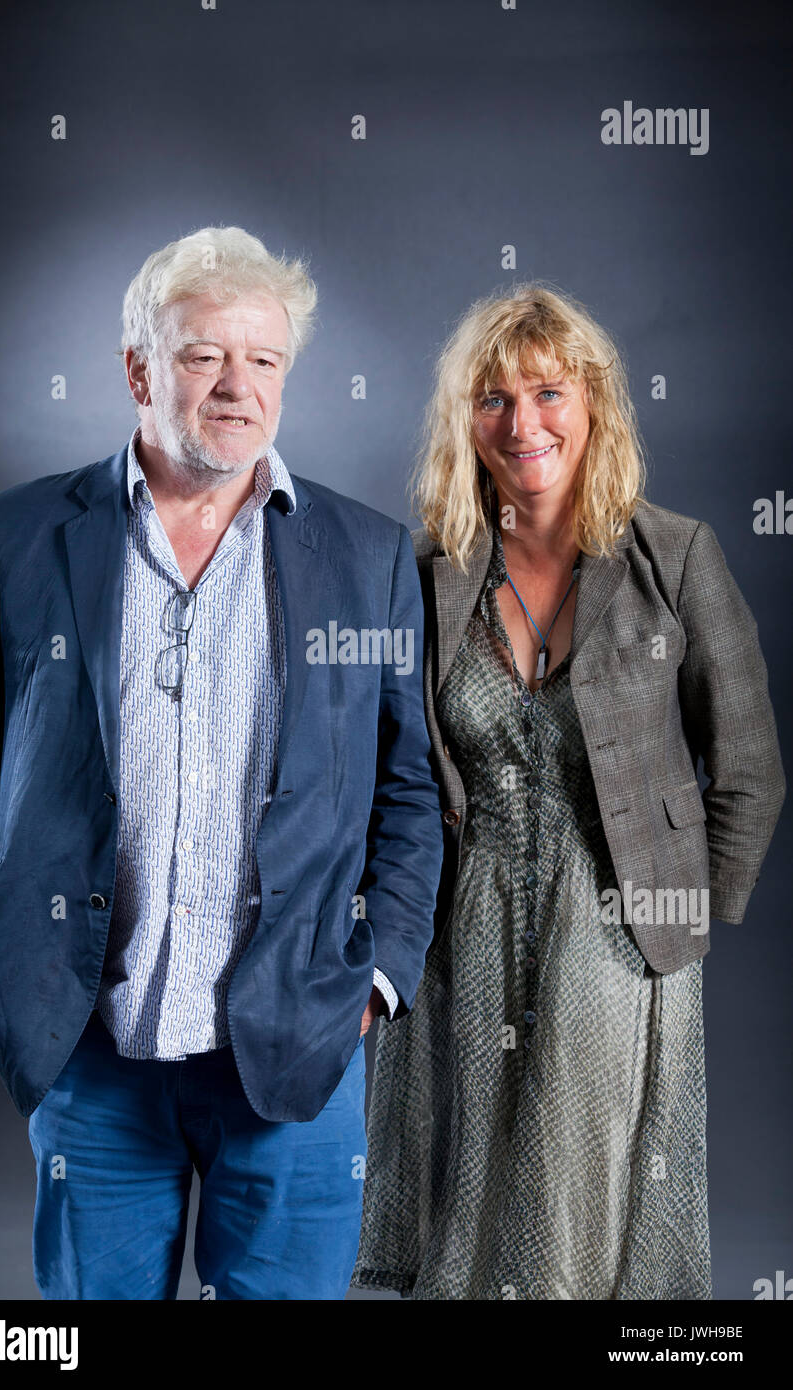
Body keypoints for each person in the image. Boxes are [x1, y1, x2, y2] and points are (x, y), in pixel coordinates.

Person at [0, 226, 443, 1300]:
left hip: (299, 1047)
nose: (235, 385)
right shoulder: (19, 538)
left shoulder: (366, 556)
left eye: (262, 360)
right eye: (203, 354)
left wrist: (377, 978)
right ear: (137, 369)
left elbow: (407, 792)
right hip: (91, 1050)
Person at [350, 282, 785, 1300]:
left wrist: (678, 922)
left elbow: (749, 764)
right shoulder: (423, 572)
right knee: (457, 1181)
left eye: (546, 392)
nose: (522, 423)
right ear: (466, 420)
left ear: (592, 403)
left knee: (572, 1185)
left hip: (614, 920)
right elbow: (385, 771)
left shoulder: (673, 557)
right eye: (493, 399)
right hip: (460, 919)